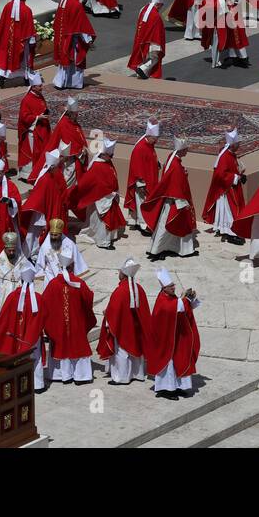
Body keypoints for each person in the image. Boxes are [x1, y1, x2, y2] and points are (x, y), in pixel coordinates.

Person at [40, 246, 97, 384]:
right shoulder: (79, 283)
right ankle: (81, 376)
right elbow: (88, 298)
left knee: (61, 344)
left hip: (59, 325)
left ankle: (61, 375)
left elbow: (44, 304)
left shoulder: (53, 284)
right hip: (76, 323)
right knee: (77, 345)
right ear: (72, 266)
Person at [146, 267, 200, 399]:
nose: (173, 288)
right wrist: (183, 299)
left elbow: (180, 308)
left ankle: (178, 386)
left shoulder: (171, 297)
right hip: (166, 340)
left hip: (176, 337)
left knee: (179, 361)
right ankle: (167, 390)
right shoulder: (162, 300)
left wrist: (189, 299)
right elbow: (172, 309)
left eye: (173, 285)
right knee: (168, 366)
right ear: (163, 288)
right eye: (170, 286)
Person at [97, 258, 149, 385]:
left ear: (123, 274)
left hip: (122, 326)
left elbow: (114, 309)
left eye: (119, 271)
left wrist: (107, 314)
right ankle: (138, 374)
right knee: (136, 349)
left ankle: (122, 377)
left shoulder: (120, 290)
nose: (118, 273)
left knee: (122, 351)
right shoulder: (138, 288)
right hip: (135, 326)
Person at [143, 139, 198, 259]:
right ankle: (157, 251)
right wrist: (182, 203)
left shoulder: (173, 159)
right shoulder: (175, 166)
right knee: (168, 227)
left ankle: (172, 249)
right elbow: (175, 186)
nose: (187, 150)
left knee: (173, 227)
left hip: (173, 200)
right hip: (175, 202)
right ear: (182, 150)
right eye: (186, 149)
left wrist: (183, 171)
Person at [0, 281, 44, 388]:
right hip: (33, 336)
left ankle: (19, 383)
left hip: (15, 334)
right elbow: (44, 316)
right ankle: (37, 384)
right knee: (35, 357)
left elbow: (3, 316)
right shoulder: (38, 298)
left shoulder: (12, 297)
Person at [203, 129, 245, 242]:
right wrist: (236, 177)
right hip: (226, 191)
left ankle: (229, 230)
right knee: (228, 211)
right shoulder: (224, 157)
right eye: (238, 144)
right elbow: (221, 174)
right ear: (232, 144)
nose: (239, 145)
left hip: (231, 187)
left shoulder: (230, 154)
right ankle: (229, 232)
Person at [52, 0, 95, 90]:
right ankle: (75, 83)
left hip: (63, 35)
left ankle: (60, 82)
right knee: (74, 61)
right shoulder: (76, 4)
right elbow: (81, 26)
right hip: (73, 38)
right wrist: (88, 40)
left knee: (65, 61)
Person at [129, 0, 167, 80]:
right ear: (158, 4)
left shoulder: (144, 8)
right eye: (161, 6)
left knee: (144, 56)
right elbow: (158, 30)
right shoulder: (155, 15)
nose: (161, 8)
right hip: (153, 39)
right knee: (155, 58)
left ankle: (142, 73)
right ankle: (142, 69)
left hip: (142, 37)